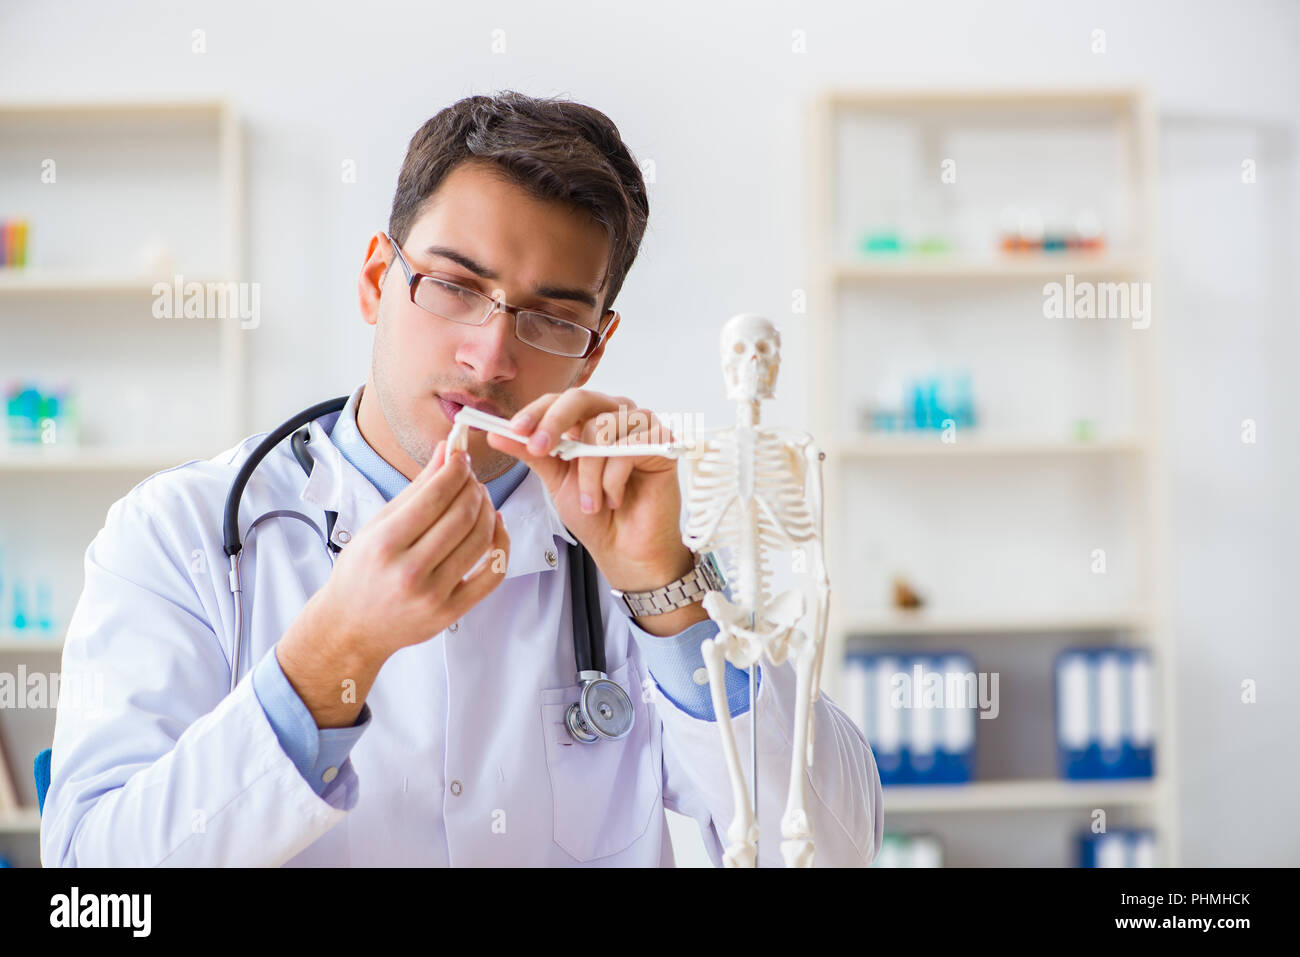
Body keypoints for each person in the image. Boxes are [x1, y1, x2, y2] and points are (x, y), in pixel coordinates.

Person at [41, 90, 883, 867]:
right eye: (453, 286)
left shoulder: (650, 553)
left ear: (595, 349)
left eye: (552, 318)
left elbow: (833, 851)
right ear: (378, 280)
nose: (490, 357)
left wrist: (666, 591)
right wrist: (331, 655)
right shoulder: (180, 534)